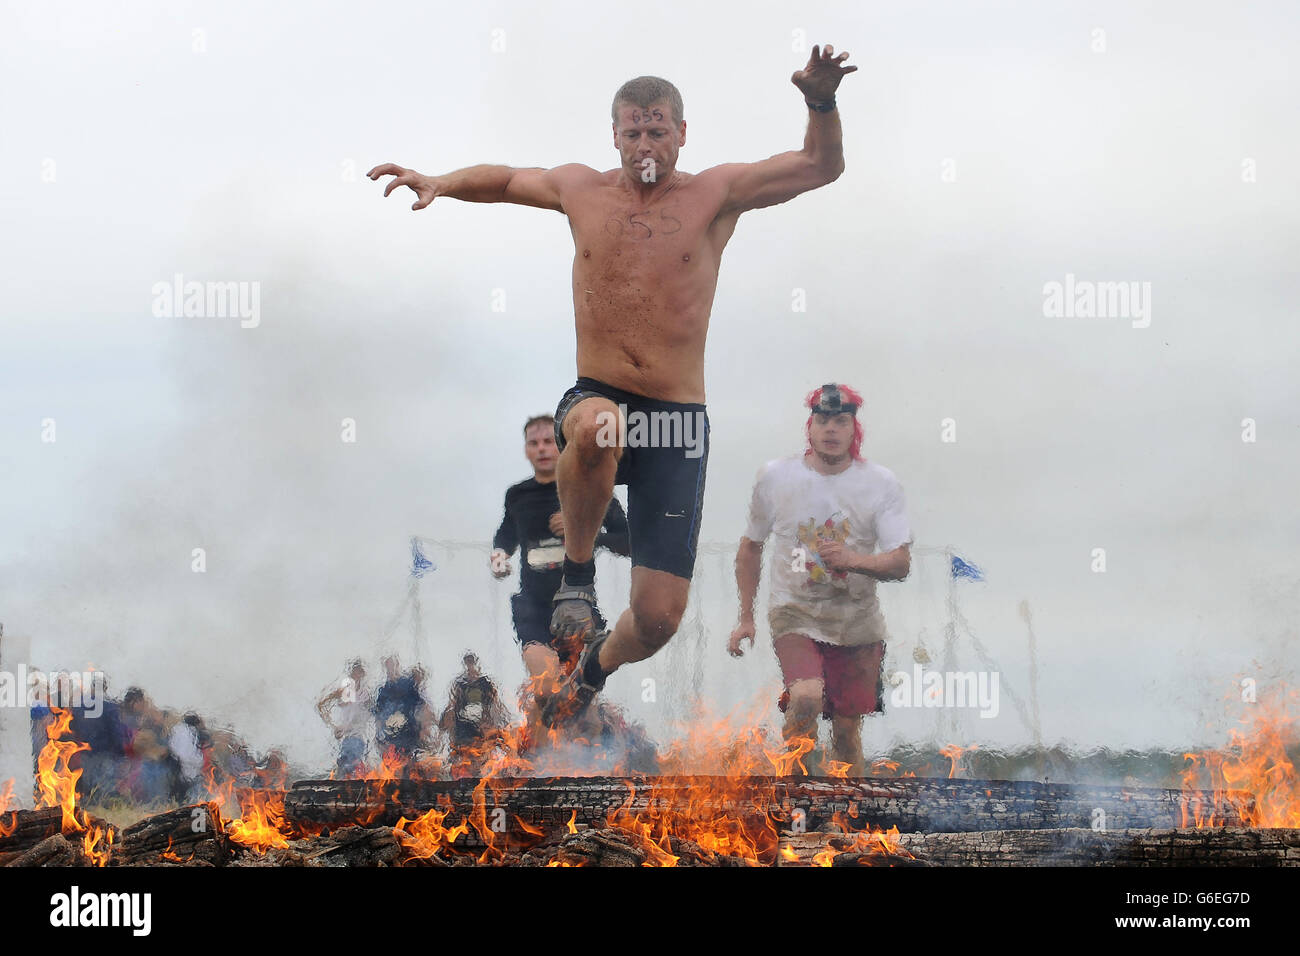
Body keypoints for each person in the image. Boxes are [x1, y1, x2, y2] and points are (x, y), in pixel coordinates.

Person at [370, 45, 857, 724]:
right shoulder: (582, 189)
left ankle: (593, 671)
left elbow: (820, 166)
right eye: (633, 131)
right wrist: (440, 182)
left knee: (658, 619)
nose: (645, 143)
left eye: (659, 130)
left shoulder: (716, 193)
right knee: (599, 426)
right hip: (600, 392)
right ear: (615, 135)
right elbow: (509, 179)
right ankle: (576, 577)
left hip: (678, 418)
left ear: (682, 134)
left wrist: (820, 99)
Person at [729, 384, 912, 776]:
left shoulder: (880, 483)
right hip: (794, 611)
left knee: (846, 731)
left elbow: (900, 563)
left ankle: (846, 822)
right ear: (809, 426)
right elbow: (750, 547)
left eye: (841, 421)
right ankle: (792, 798)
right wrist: (745, 616)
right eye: (823, 420)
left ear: (853, 429)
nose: (831, 429)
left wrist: (854, 560)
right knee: (807, 699)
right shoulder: (777, 476)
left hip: (857, 622)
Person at [490, 414, 629, 727]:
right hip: (533, 607)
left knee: (580, 704)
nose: (541, 449)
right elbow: (506, 534)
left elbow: (628, 541)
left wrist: (583, 529)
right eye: (533, 443)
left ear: (563, 444)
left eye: (548, 442)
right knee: (546, 688)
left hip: (577, 607)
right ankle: (543, 771)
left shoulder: (593, 488)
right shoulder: (517, 495)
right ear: (526, 450)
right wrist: (499, 556)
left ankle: (591, 771)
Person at [439, 653, 509, 773]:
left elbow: (495, 704)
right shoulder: (460, 684)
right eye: (467, 662)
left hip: (482, 725)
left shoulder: (485, 683)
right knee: (464, 755)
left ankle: (481, 772)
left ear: (475, 663)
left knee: (482, 753)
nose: (470, 665)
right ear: (465, 664)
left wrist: (500, 722)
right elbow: (454, 702)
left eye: (471, 662)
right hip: (464, 726)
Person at [316, 660, 373, 777]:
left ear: (362, 675)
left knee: (351, 766)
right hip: (346, 739)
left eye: (358, 673)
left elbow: (364, 717)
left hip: (357, 737)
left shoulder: (365, 694)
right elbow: (321, 704)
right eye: (353, 673)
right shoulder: (345, 692)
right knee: (344, 767)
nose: (355, 675)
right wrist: (334, 726)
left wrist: (345, 727)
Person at [372, 656, 425, 762]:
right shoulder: (383, 690)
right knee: (392, 770)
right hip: (390, 738)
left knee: (409, 770)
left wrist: (421, 730)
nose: (390, 669)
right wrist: (378, 737)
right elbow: (378, 716)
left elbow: (419, 707)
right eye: (388, 666)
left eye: (393, 666)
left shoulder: (407, 684)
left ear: (397, 666)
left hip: (409, 736)